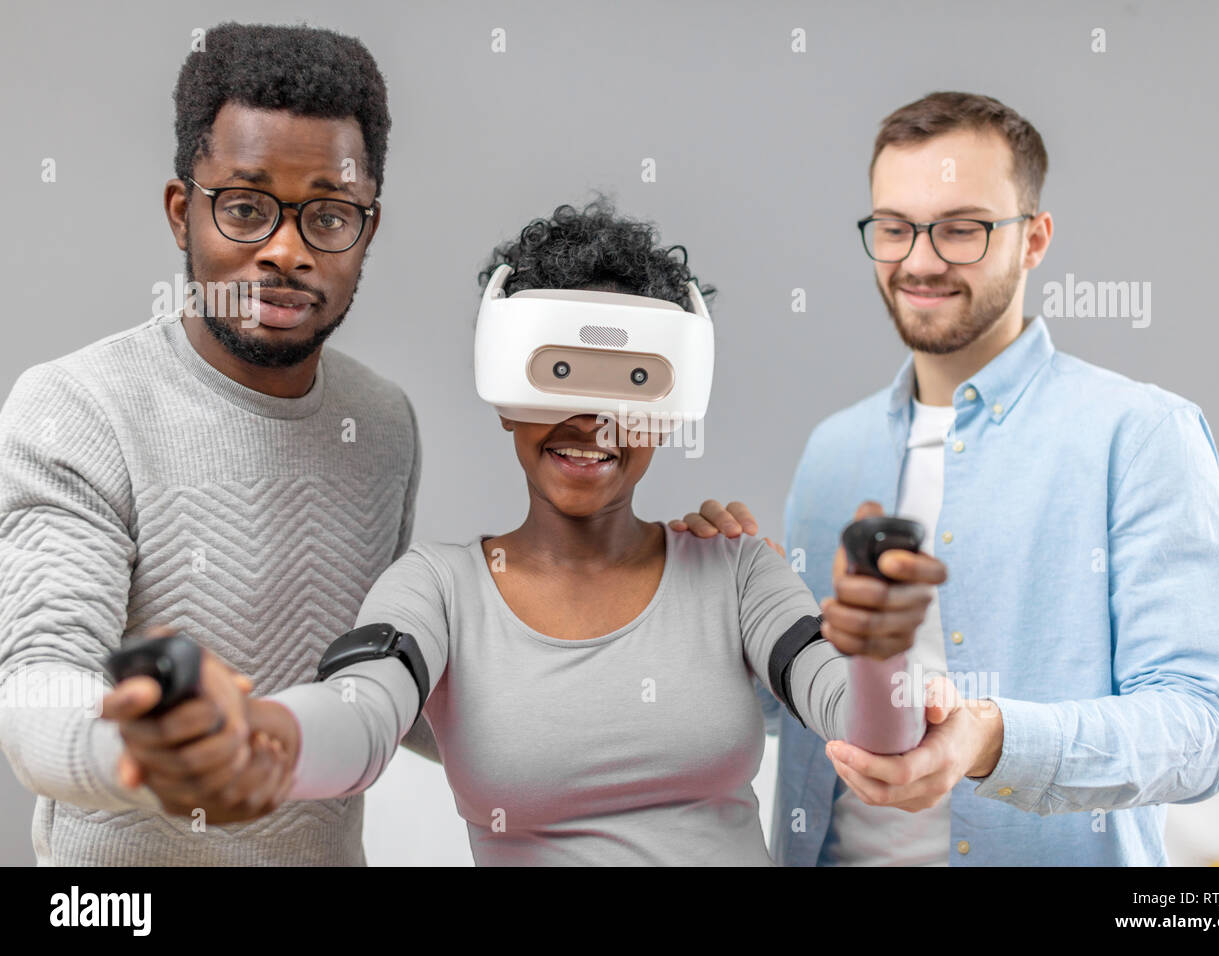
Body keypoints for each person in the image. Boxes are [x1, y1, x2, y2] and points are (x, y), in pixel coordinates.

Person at [115, 200, 948, 865]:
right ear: (505, 387)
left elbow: (872, 737)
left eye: (629, 383)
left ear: (671, 405)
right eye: (556, 377)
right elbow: (359, 720)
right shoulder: (437, 589)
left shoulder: (735, 570)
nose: (591, 420)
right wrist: (257, 738)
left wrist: (882, 648)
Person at [675, 91, 1219, 866]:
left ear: (1035, 239)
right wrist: (719, 612)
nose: (919, 260)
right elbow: (809, 711)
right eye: (894, 228)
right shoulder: (833, 451)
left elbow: (1203, 731)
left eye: (961, 229)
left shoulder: (1141, 434)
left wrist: (992, 741)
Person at [0, 22, 419, 865]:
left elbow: (387, 687)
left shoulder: (383, 422)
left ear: (368, 230)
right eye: (245, 206)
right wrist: (145, 753)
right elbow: (41, 677)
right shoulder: (76, 406)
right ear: (181, 211)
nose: (285, 251)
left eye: (329, 215)